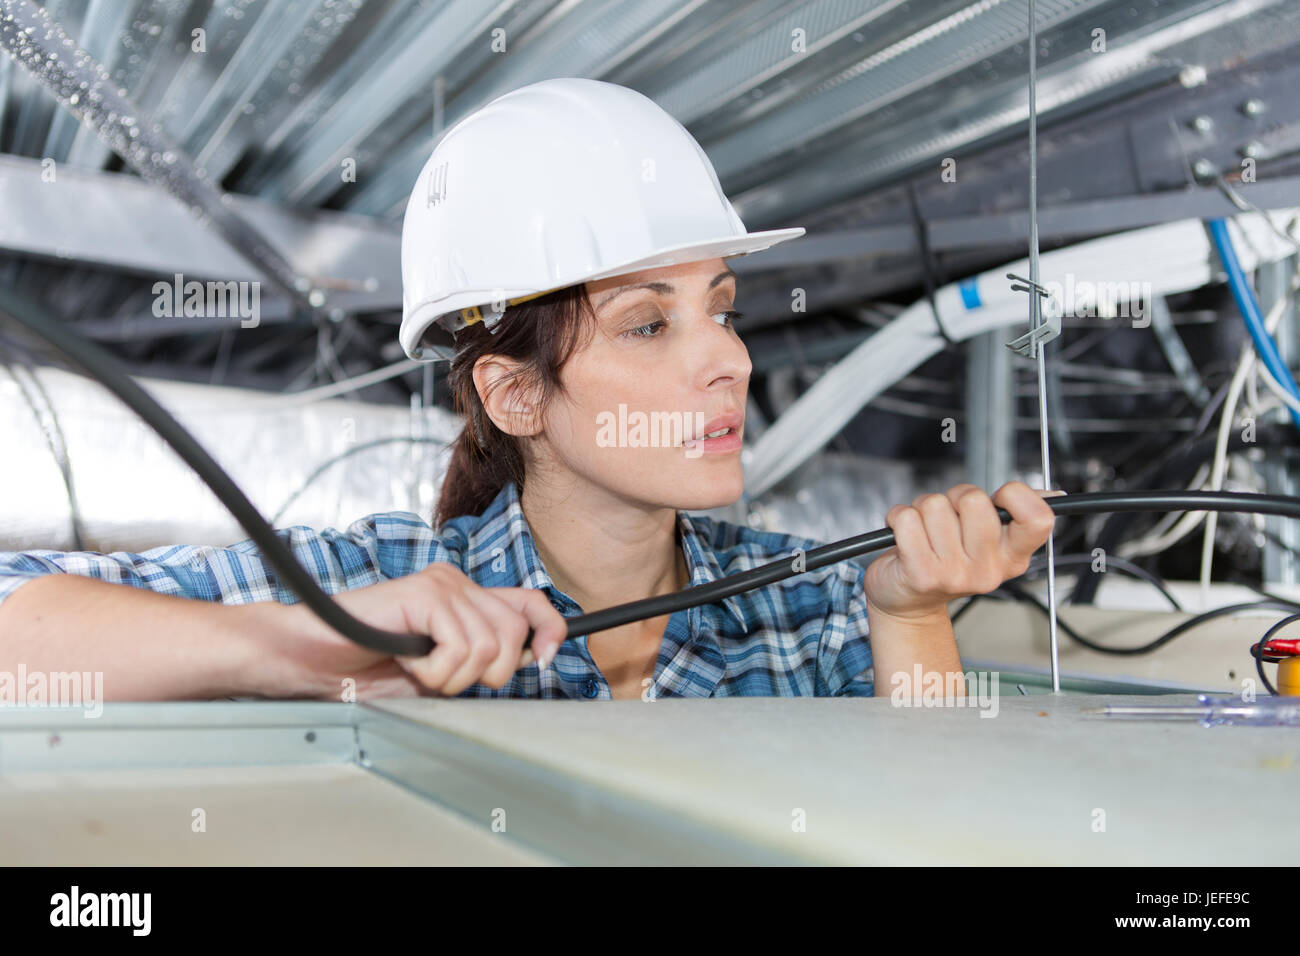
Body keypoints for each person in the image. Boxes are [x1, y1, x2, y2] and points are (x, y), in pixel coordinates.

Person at [0, 78, 1057, 702]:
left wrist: (913, 618)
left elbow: (938, 833)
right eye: (649, 322)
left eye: (722, 307)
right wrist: (326, 638)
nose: (729, 358)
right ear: (512, 394)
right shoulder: (392, 578)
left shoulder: (822, 598)